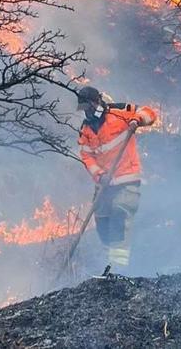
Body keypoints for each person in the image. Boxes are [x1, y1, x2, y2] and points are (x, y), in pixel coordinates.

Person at [75, 85, 157, 271]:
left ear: (97, 102)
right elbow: (86, 156)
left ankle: (118, 267)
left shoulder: (120, 112)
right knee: (103, 223)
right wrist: (99, 174)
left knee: (120, 217)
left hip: (127, 179)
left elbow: (149, 112)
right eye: (83, 109)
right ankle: (109, 263)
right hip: (104, 183)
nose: (86, 112)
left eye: (88, 107)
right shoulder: (85, 129)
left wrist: (137, 120)